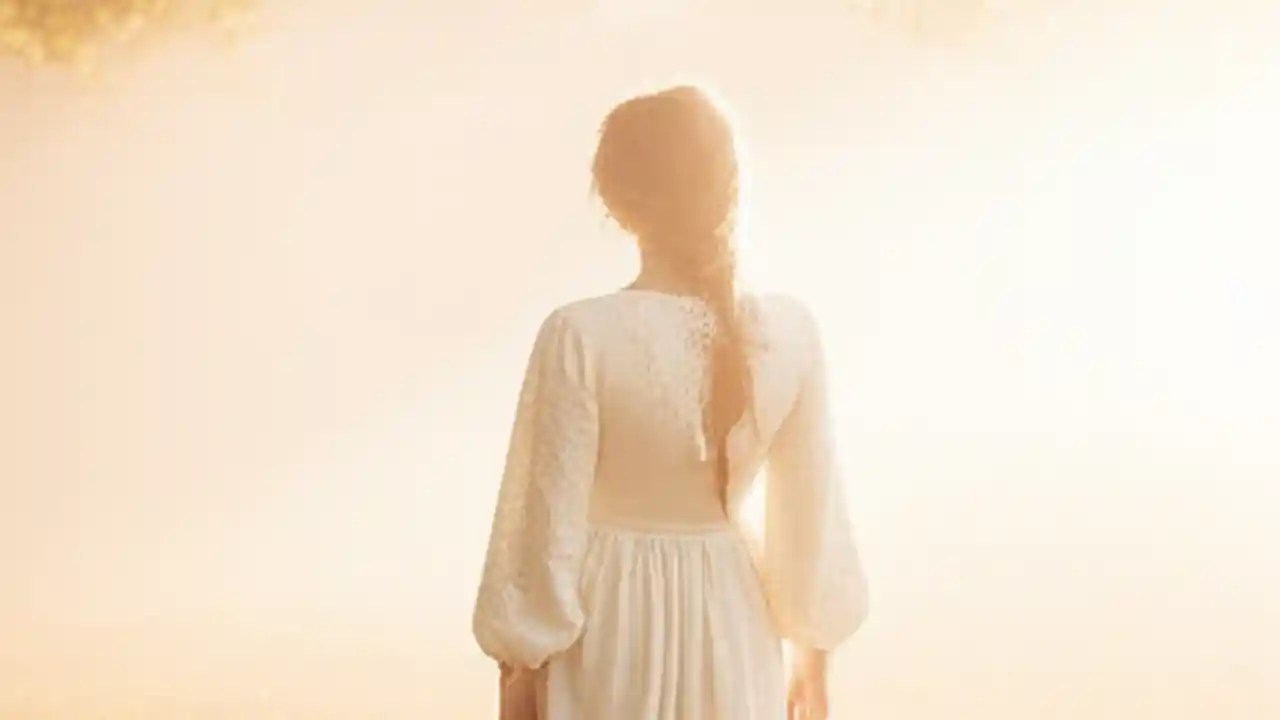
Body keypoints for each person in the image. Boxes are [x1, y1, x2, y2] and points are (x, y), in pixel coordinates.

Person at [471, 84, 869, 720]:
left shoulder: (580, 335)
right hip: (734, 624)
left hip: (609, 628)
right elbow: (810, 520)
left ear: (617, 203)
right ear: (728, 188)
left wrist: (520, 669)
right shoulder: (790, 333)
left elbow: (545, 533)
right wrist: (812, 663)